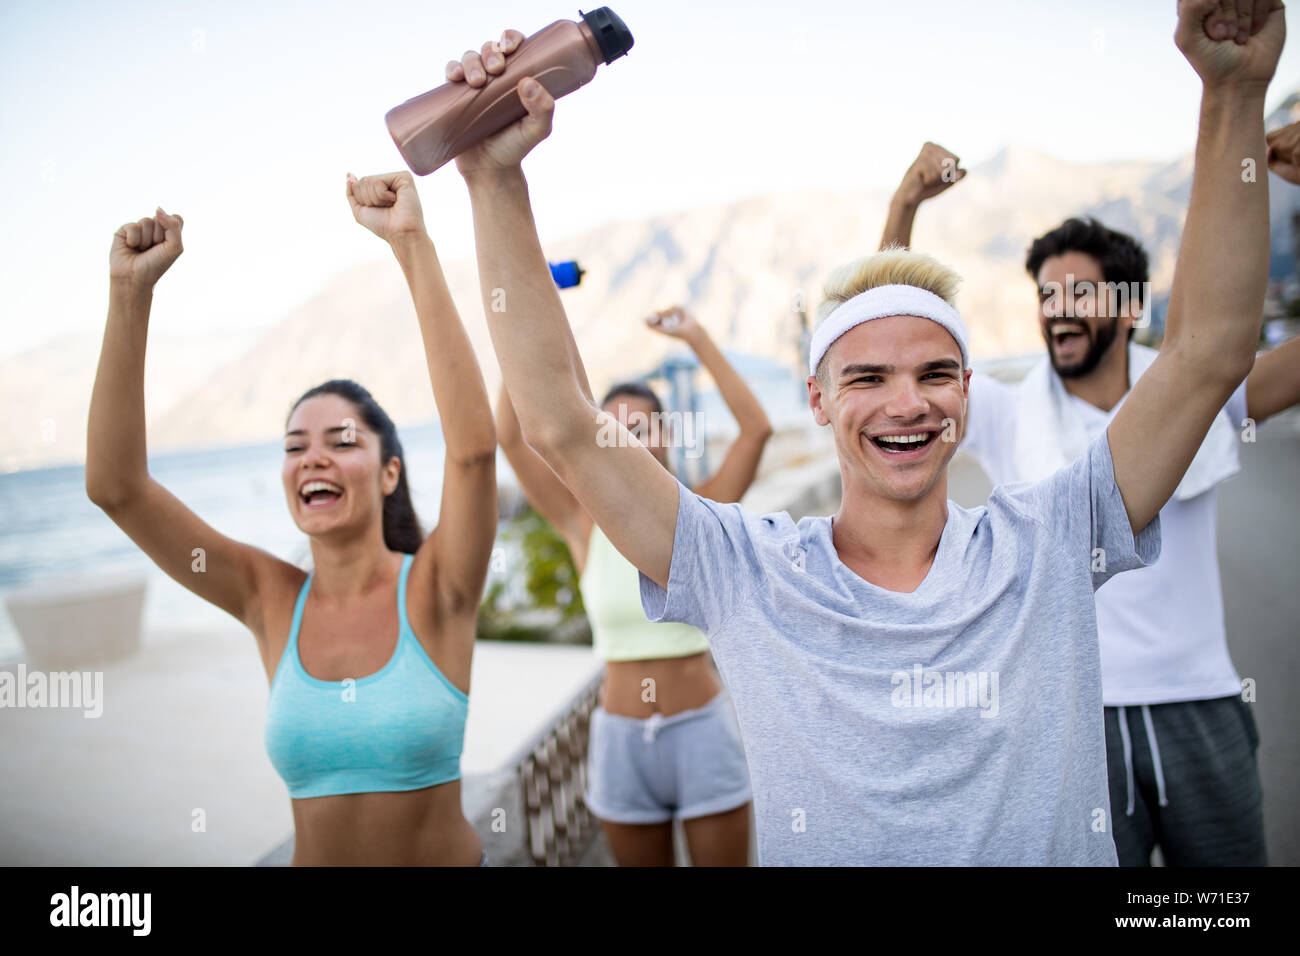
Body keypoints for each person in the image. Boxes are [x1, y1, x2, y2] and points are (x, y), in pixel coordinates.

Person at [442, 0, 1283, 865]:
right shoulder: (747, 570)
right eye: (868, 378)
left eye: (934, 374)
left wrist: (1234, 90)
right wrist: (496, 181)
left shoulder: (1052, 540)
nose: (906, 403)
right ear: (818, 400)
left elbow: (1207, 355)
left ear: (966, 393)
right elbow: (560, 424)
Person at [880, 138, 1300, 869]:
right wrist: (904, 206)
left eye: (1078, 293)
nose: (1057, 311)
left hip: (1202, 708)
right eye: (1046, 295)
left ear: (1129, 306)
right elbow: (892, 356)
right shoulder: (1010, 414)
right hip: (1068, 724)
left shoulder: (1202, 395)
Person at [85, 170, 497, 865]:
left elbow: (475, 453)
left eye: (342, 443)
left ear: (390, 472)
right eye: (294, 447)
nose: (312, 459)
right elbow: (117, 488)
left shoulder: (437, 588)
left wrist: (410, 244)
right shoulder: (266, 596)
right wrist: (130, 296)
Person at [497, 304, 771, 865]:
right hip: (620, 743)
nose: (624, 439)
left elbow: (756, 429)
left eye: (639, 426)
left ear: (666, 435)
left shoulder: (704, 515)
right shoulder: (580, 524)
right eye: (612, 427)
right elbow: (510, 434)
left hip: (702, 734)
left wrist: (698, 338)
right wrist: (530, 305)